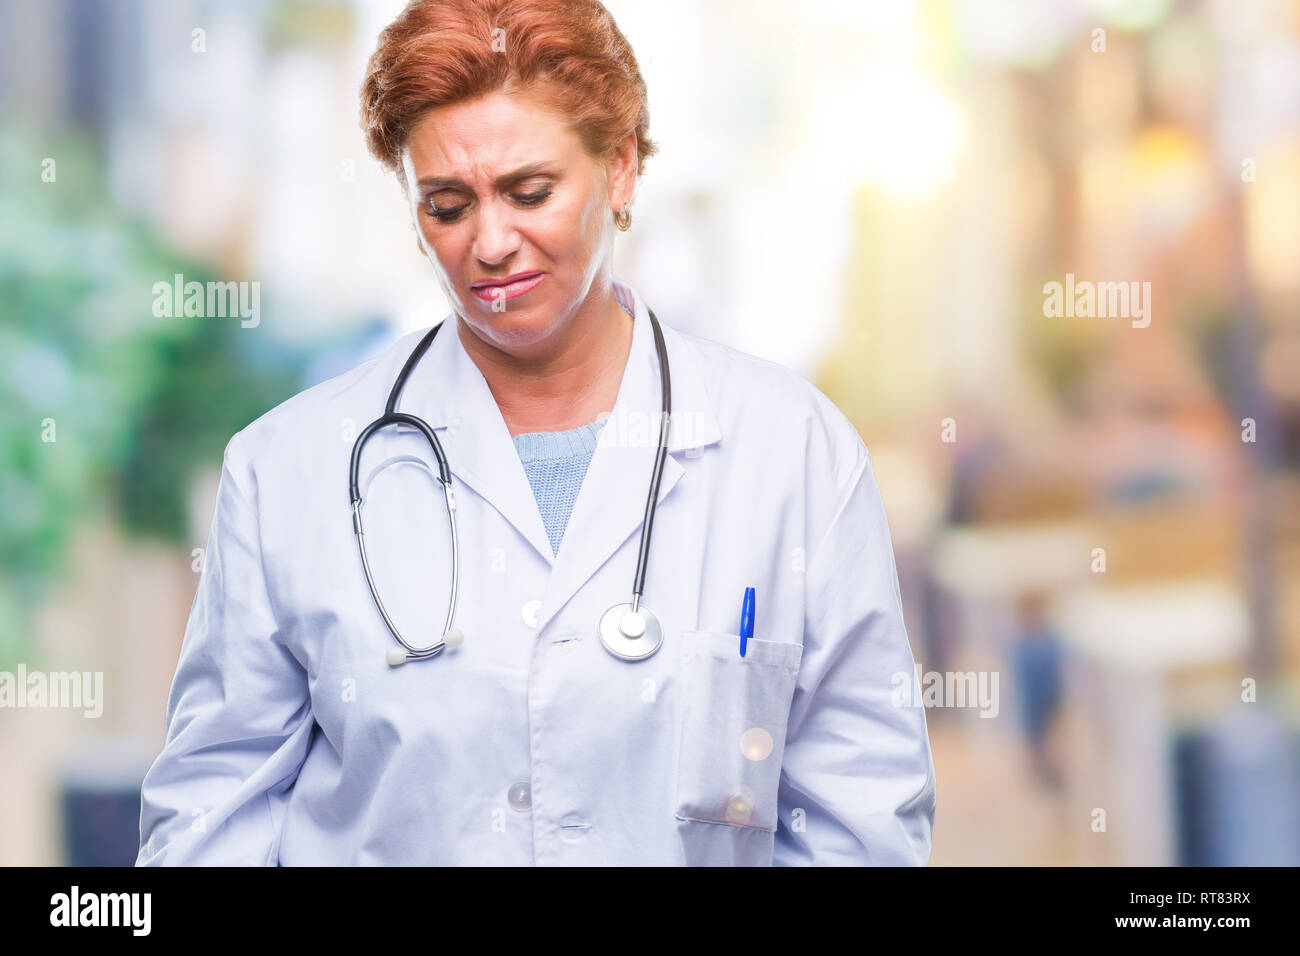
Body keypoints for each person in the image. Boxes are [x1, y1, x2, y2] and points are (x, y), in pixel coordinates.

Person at [135, 0, 936, 866]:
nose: (490, 242)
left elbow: (862, 826)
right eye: (446, 205)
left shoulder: (793, 457)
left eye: (530, 192)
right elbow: (210, 825)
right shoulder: (286, 473)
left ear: (621, 167)